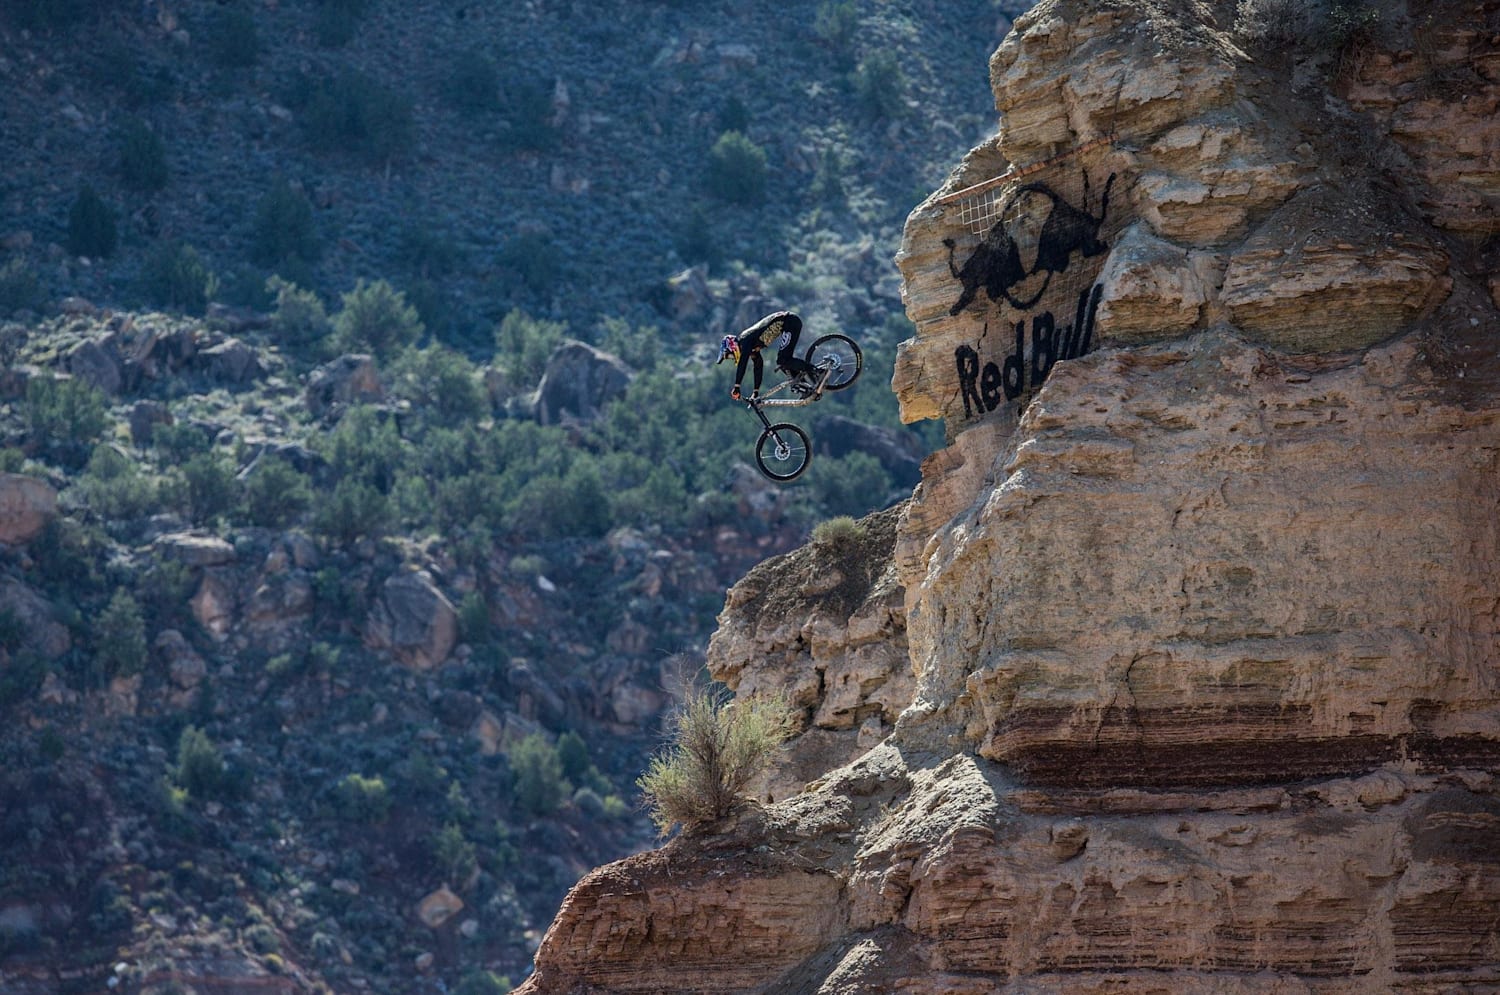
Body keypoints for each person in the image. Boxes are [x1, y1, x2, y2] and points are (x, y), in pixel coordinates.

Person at [717, 310, 817, 400]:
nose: (731, 358)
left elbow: (742, 364)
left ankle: (814, 370)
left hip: (789, 322)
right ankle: (806, 388)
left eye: (729, 355)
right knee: (783, 364)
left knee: (783, 360)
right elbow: (758, 366)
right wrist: (755, 392)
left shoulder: (744, 340)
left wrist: (737, 386)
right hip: (788, 324)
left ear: (731, 347)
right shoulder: (751, 347)